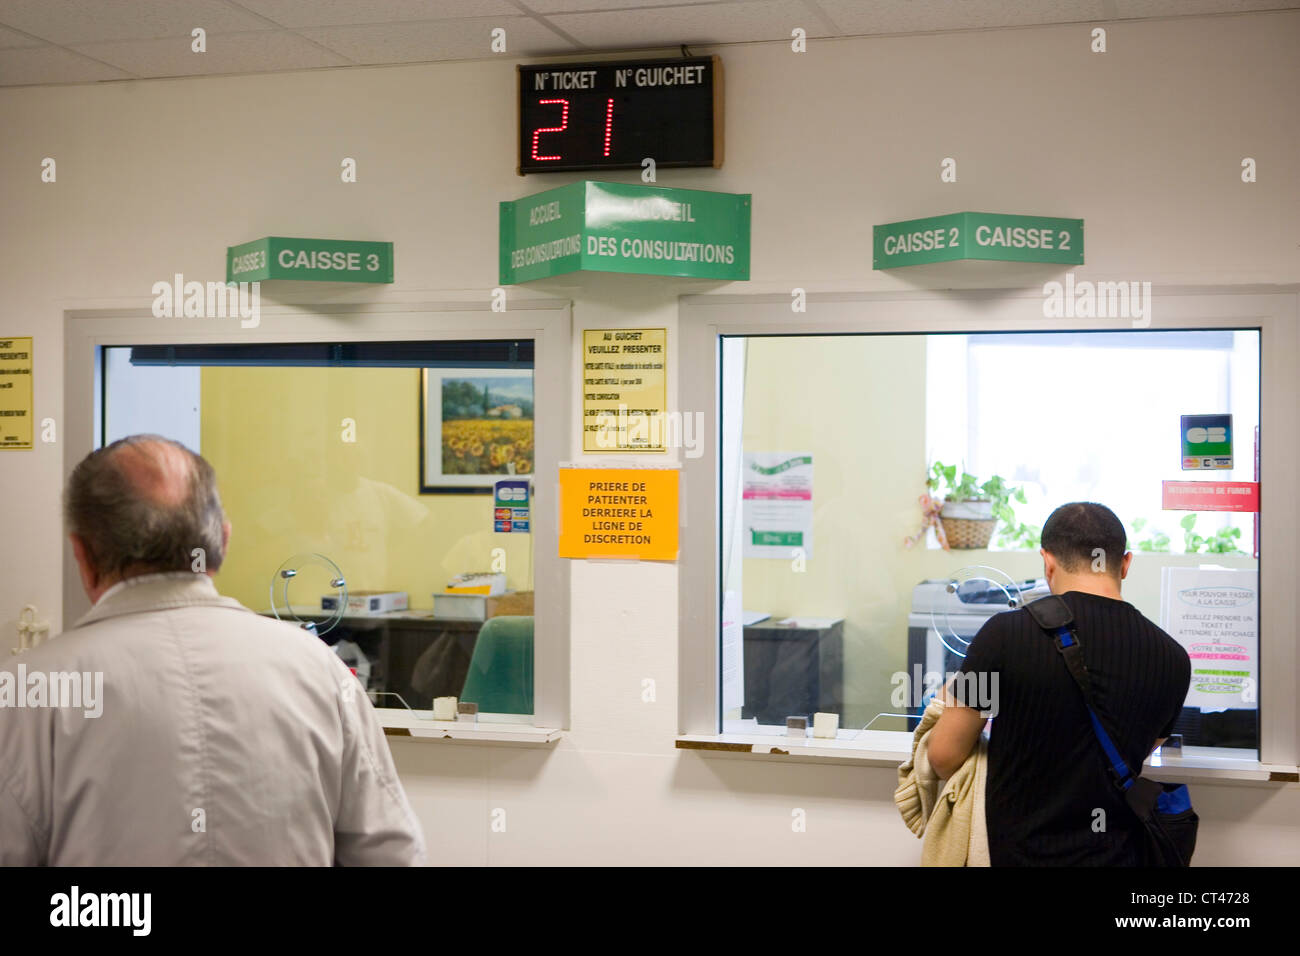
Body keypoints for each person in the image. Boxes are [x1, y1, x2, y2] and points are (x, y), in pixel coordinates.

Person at [0, 434, 427, 865]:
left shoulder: (29, 692)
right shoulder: (318, 668)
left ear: (83, 555)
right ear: (221, 541)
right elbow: (391, 853)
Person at [927, 501, 1191, 865]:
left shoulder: (1003, 637)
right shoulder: (1173, 659)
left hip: (1019, 857)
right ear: (1125, 564)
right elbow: (1139, 749)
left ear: (1047, 561)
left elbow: (943, 756)